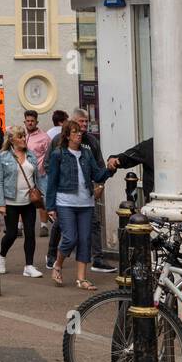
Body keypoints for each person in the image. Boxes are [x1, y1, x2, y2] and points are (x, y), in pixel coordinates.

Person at [46, 118, 113, 290]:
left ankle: (81, 279)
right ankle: (58, 265)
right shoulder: (58, 154)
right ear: (67, 135)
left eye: (80, 131)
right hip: (65, 201)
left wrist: (110, 170)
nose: (79, 134)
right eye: (75, 132)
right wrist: (51, 207)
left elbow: (97, 175)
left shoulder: (87, 153)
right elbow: (52, 182)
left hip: (86, 203)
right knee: (70, 238)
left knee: (84, 240)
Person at [71, 108, 115, 273]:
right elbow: (50, 165)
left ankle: (97, 259)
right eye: (81, 121)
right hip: (69, 191)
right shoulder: (60, 141)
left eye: (86, 121)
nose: (84, 124)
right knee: (63, 226)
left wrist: (101, 185)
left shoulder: (91, 142)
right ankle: (54, 257)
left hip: (88, 190)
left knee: (94, 222)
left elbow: (99, 166)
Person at [0, 126, 43, 278]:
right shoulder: (2, 157)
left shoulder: (31, 155)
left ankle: (29, 266)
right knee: (11, 234)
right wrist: (1, 203)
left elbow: (38, 179)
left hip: (29, 201)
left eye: (24, 136)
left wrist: (44, 197)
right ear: (11, 140)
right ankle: (1, 257)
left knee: (30, 234)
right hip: (11, 202)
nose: (24, 139)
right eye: (20, 136)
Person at [23, 109, 53, 236]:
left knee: (42, 199)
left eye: (32, 121)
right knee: (22, 198)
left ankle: (44, 226)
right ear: (24, 121)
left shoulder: (44, 137)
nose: (30, 123)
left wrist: (45, 169)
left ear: (37, 122)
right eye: (27, 121)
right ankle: (19, 226)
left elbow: (50, 155)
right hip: (24, 173)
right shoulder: (22, 135)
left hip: (40, 173)